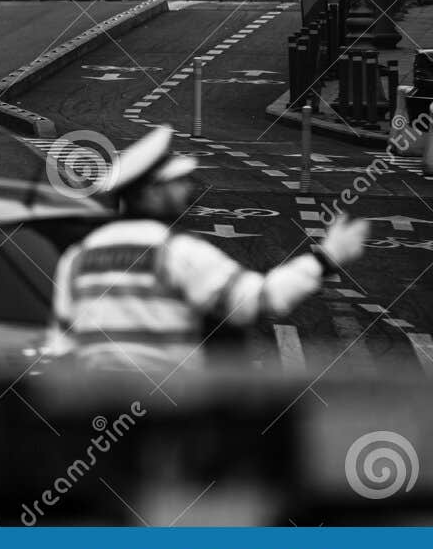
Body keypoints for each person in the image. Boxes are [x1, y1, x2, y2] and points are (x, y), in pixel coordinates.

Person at [49, 125, 367, 374]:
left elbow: (60, 350)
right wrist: (325, 259)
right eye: (176, 182)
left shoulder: (78, 258)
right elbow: (259, 300)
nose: (189, 187)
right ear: (149, 192)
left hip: (92, 421)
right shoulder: (175, 252)